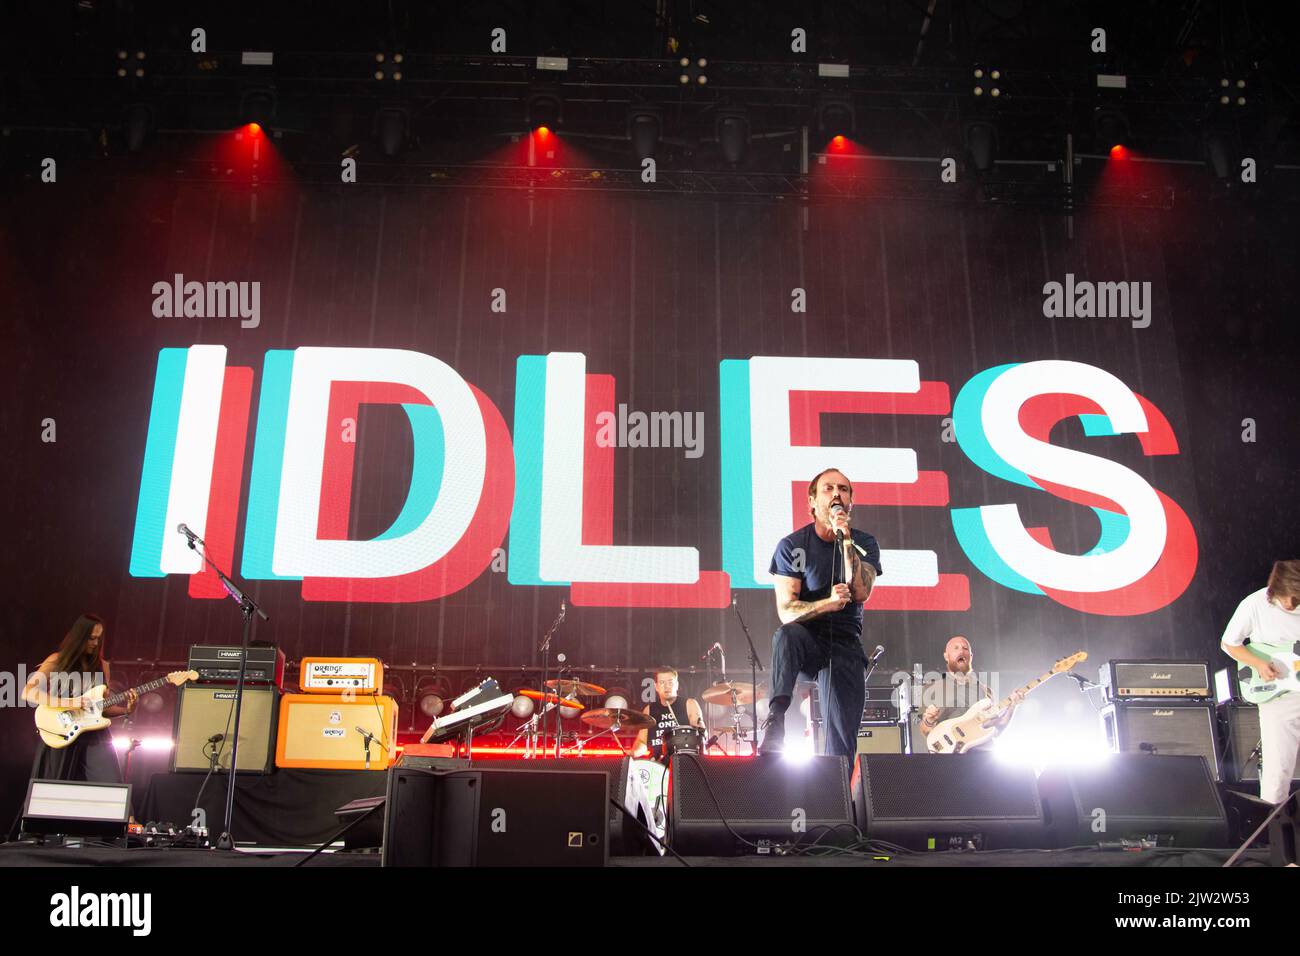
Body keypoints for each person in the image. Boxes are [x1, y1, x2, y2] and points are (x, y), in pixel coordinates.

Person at [760, 468, 881, 757]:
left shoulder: (864, 543)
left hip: (844, 644)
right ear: (812, 502)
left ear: (850, 503)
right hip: (807, 640)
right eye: (828, 488)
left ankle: (836, 792)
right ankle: (776, 720)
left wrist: (846, 538)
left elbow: (861, 592)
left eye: (844, 489)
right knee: (786, 635)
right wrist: (826, 603)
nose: (837, 494)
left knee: (841, 744)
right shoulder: (792, 546)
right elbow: (786, 611)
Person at [22, 614, 138, 784]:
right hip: (61, 729)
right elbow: (28, 692)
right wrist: (69, 702)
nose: (96, 643)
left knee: (110, 785)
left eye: (99, 638)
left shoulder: (103, 665)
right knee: (53, 791)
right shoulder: (57, 660)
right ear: (80, 637)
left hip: (94, 735)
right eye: (91, 638)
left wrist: (127, 709)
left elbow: (101, 708)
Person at [1220, 560, 1300, 804]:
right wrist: (1259, 664)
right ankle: (1271, 833)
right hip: (1278, 696)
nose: (1292, 604)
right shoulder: (1254, 604)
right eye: (1289, 598)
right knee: (1278, 768)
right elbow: (1229, 643)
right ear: (1274, 590)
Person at [916, 636, 1023, 752]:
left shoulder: (986, 691)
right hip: (949, 755)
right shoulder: (931, 688)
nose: (961, 651)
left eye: (965, 648)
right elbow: (925, 731)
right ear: (946, 656)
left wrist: (1013, 706)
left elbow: (997, 728)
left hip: (982, 756)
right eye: (956, 648)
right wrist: (929, 720)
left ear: (971, 656)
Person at [632, 667, 706, 759]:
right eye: (662, 683)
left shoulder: (689, 704)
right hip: (657, 763)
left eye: (670, 682)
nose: (667, 686)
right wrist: (632, 754)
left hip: (684, 761)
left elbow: (701, 735)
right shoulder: (649, 710)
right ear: (656, 687)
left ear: (677, 685)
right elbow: (642, 742)